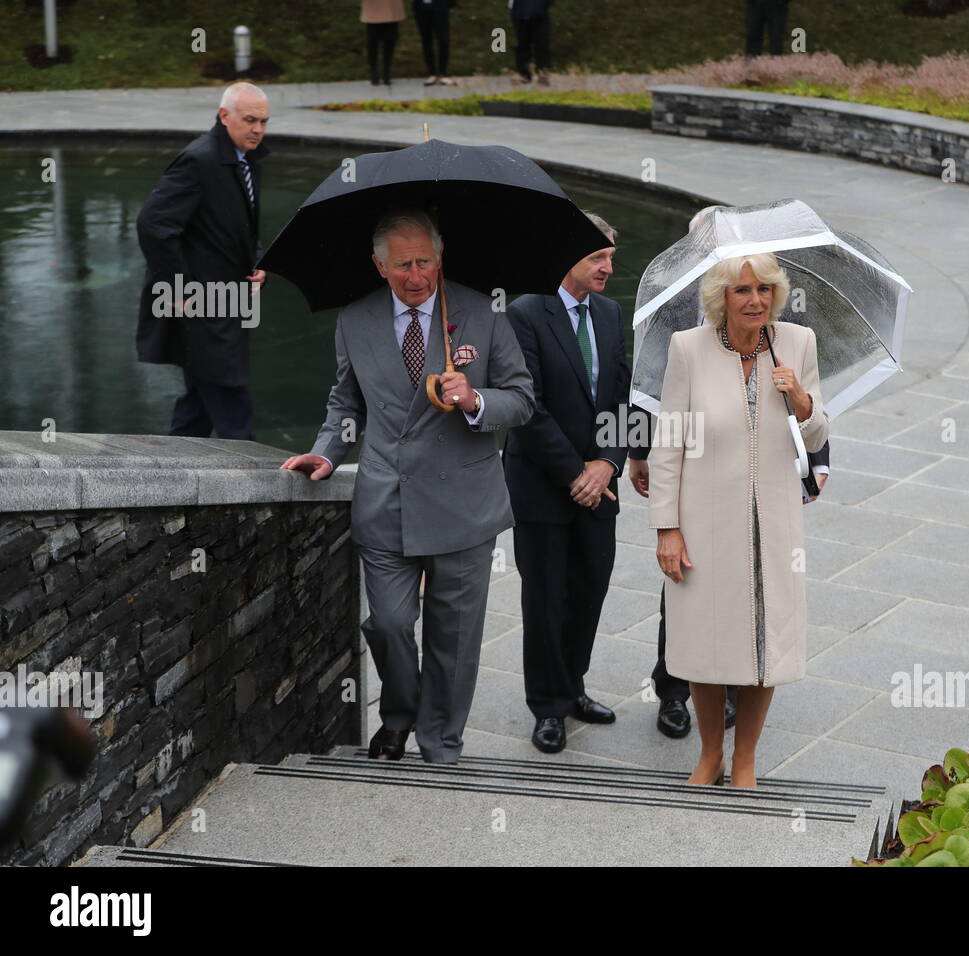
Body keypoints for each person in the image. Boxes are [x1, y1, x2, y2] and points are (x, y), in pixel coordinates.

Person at [280, 209, 534, 763]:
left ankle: (440, 742)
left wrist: (474, 399)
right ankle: (398, 714)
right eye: (402, 265)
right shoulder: (355, 318)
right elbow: (345, 402)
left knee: (456, 637)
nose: (416, 276)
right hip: (385, 501)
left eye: (424, 262)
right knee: (390, 623)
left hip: (465, 505)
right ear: (378, 265)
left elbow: (522, 398)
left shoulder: (482, 312)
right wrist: (326, 454)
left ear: (440, 259)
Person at [628, 206, 831, 740]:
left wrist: (802, 400)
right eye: (743, 291)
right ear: (721, 297)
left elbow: (816, 438)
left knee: (767, 643)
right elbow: (669, 444)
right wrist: (665, 528)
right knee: (703, 641)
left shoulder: (798, 344)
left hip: (774, 522)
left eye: (765, 289)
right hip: (704, 522)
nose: (756, 300)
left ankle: (745, 762)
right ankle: (709, 754)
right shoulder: (687, 349)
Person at [503, 213, 630, 755]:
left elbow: (622, 397)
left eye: (610, 258)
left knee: (588, 592)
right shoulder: (525, 313)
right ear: (567, 257)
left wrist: (608, 462)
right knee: (546, 599)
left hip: (599, 487)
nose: (607, 267)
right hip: (542, 486)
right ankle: (548, 706)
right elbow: (528, 406)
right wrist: (576, 472)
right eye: (597, 257)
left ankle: (573, 686)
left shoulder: (610, 312)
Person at [135, 82, 270, 441]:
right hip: (203, 305)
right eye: (250, 120)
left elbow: (240, 225)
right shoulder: (201, 159)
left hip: (227, 301)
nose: (258, 129)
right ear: (224, 116)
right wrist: (177, 285)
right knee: (232, 402)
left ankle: (169, 478)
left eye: (264, 122)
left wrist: (257, 261)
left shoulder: (245, 160)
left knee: (198, 405)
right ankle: (254, 486)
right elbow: (154, 224)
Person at [361, 0, 404, 86]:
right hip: (372, 10)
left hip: (392, 9)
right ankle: (374, 73)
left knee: (389, 42)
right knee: (372, 44)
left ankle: (386, 73)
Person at [510, 0, 552, 85]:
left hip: (539, 7)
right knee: (522, 42)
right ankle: (523, 73)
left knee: (541, 41)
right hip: (519, 8)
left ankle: (542, 71)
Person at [414, 0, 456, 86]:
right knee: (426, 41)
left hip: (441, 8)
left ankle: (443, 73)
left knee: (444, 41)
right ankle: (431, 73)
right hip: (422, 9)